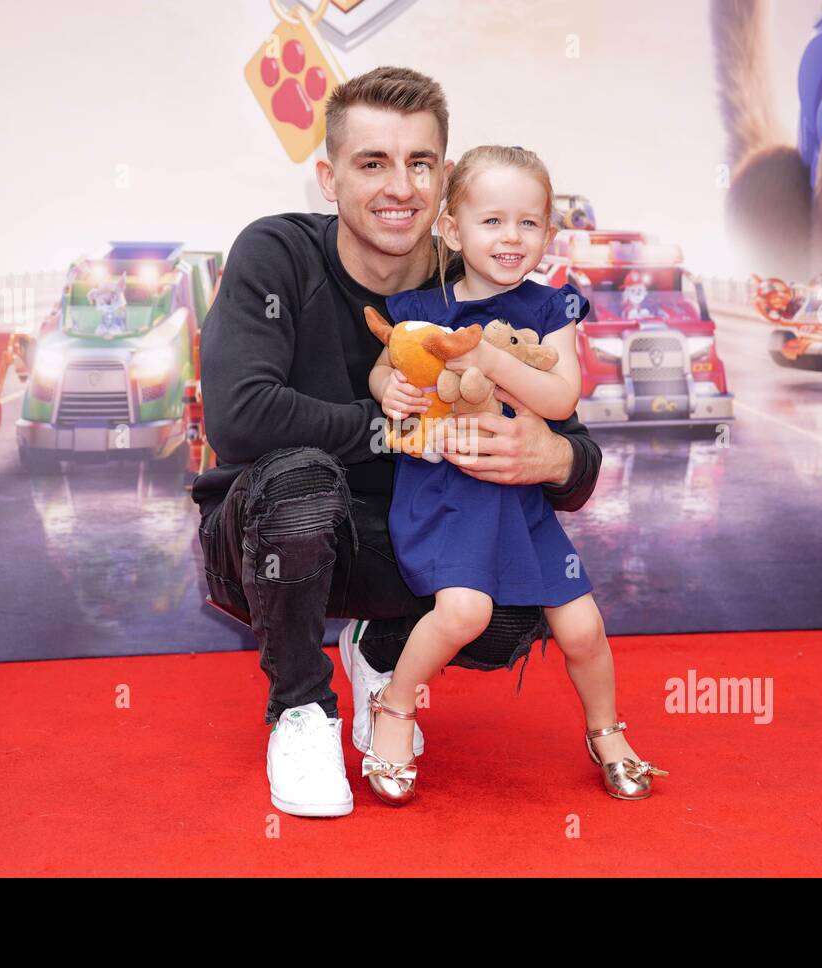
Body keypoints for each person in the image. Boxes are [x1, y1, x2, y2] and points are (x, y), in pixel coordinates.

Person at [192, 67, 602, 818]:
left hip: (405, 540)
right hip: (265, 534)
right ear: (329, 176)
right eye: (372, 162)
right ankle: (301, 709)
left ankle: (382, 651)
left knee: (516, 591)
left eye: (420, 163)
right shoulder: (276, 253)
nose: (400, 187)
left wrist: (557, 458)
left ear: (443, 178)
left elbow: (572, 446)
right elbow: (240, 418)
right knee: (301, 481)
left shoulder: (476, 280)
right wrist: (395, 429)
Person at [362, 145, 668, 806]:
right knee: (464, 612)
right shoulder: (418, 304)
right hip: (444, 494)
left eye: (529, 223)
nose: (511, 237)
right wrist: (390, 390)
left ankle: (606, 730)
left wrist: (488, 359)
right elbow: (391, 365)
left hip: (518, 498)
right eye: (492, 221)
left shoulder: (554, 308)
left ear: (549, 235)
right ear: (452, 229)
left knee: (583, 627)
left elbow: (559, 400)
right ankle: (394, 707)